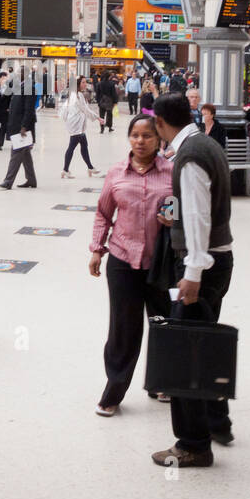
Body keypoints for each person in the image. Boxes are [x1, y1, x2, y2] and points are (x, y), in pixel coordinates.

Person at [150, 93, 233, 467]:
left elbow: (199, 214)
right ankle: (217, 422)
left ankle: (193, 443)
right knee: (205, 343)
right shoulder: (206, 143)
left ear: (161, 125)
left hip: (204, 265)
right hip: (219, 257)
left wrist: (193, 272)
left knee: (185, 355)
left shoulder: (189, 156)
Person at [89, 114, 172, 416]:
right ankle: (114, 390)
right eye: (135, 135)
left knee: (163, 323)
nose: (140, 141)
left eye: (147, 136)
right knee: (123, 329)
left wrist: (173, 220)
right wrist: (97, 249)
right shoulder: (115, 174)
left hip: (160, 263)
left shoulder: (172, 172)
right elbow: (103, 213)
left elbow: (183, 211)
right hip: (123, 259)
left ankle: (161, 382)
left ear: (159, 139)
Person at [0, 73, 39, 190]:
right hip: (16, 125)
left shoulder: (29, 88)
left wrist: (24, 126)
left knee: (15, 153)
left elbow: (29, 109)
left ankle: (8, 181)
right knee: (25, 155)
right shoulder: (19, 87)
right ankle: (31, 180)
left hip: (23, 128)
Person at [60, 76, 100, 178]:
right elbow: (85, 109)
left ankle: (90, 167)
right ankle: (65, 170)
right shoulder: (77, 96)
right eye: (83, 82)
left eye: (85, 82)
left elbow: (65, 110)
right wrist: (98, 118)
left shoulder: (76, 95)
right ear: (78, 84)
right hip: (76, 125)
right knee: (72, 147)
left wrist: (67, 120)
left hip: (77, 125)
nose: (85, 84)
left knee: (84, 145)